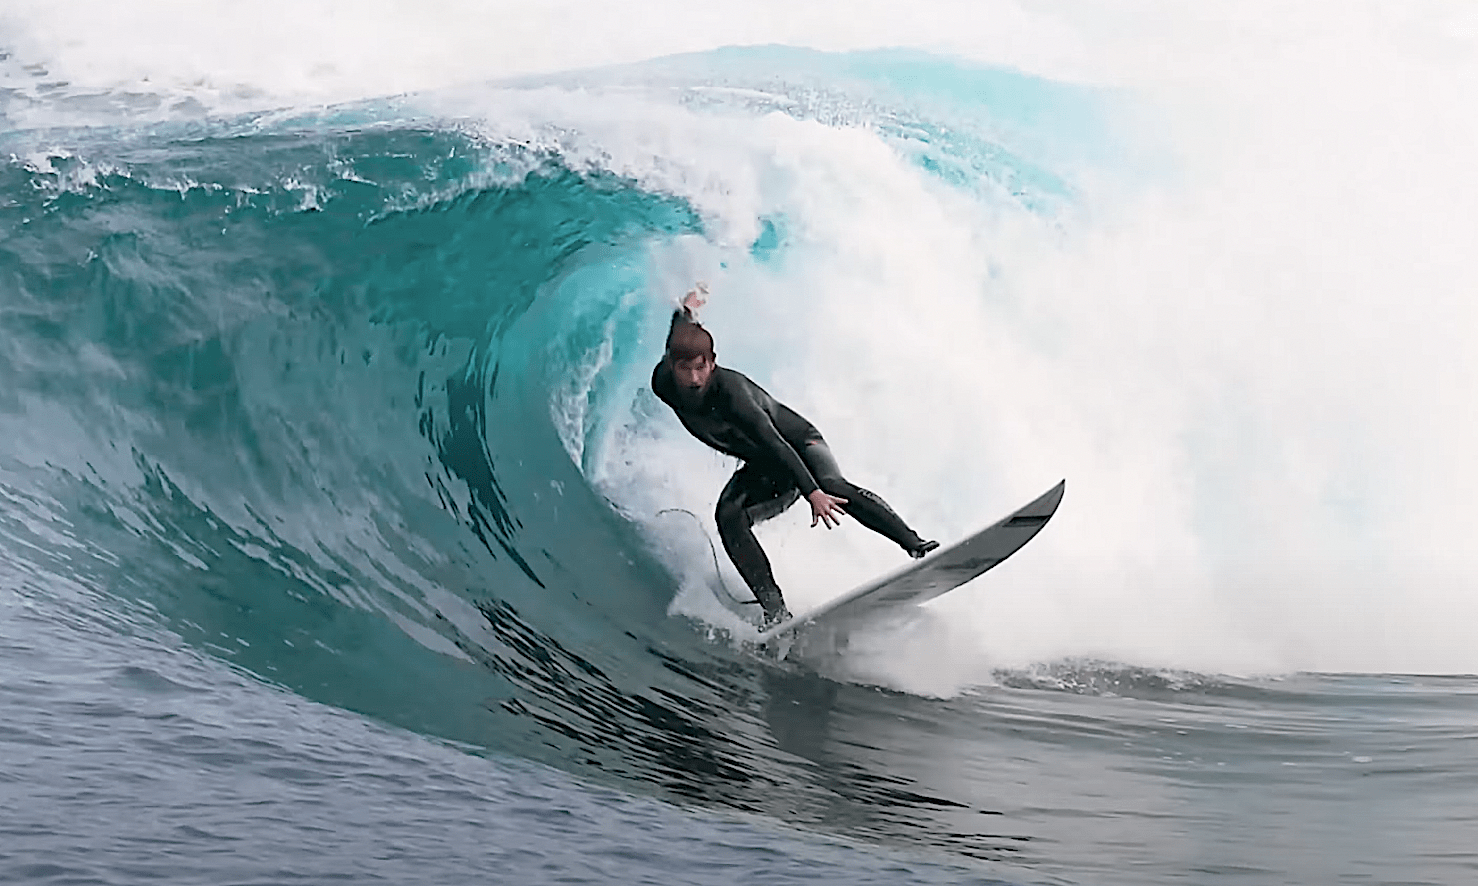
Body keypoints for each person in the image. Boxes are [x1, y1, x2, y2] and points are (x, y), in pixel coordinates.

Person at [651, 285, 938, 627]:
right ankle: (775, 612)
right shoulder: (663, 382)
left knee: (834, 487)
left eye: (701, 368)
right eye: (685, 370)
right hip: (764, 466)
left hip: (799, 446)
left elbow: (776, 443)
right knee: (729, 517)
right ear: (672, 365)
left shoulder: (733, 395)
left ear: (713, 363)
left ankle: (915, 544)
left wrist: (813, 492)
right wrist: (687, 311)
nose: (695, 379)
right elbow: (679, 337)